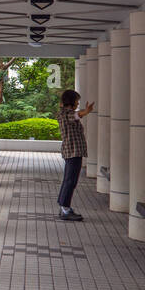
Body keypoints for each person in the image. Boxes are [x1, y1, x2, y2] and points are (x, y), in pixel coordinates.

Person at [57, 89, 94, 221]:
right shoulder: (67, 114)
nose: (78, 103)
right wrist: (87, 111)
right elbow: (77, 115)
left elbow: (77, 115)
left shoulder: (64, 113)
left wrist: (84, 112)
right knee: (70, 180)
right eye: (77, 100)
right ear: (71, 101)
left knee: (69, 179)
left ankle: (63, 206)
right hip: (73, 151)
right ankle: (65, 208)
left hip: (72, 151)